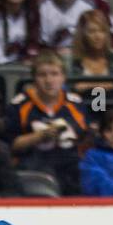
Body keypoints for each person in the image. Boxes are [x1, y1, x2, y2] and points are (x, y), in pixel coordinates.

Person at [7, 48, 90, 195]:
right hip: (33, 170)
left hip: (70, 170)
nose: (49, 80)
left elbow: (86, 139)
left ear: (63, 77)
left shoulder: (76, 103)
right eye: (42, 75)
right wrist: (39, 136)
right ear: (34, 78)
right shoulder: (19, 105)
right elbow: (11, 145)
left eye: (54, 74)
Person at [69, 9, 113, 108]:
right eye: (92, 31)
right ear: (82, 34)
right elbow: (70, 91)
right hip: (83, 114)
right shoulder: (72, 62)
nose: (97, 36)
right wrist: (104, 85)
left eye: (102, 31)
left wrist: (87, 85)